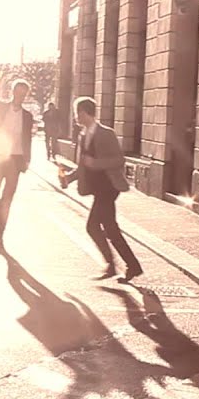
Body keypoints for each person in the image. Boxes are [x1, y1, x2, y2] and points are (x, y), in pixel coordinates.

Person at [59, 97, 143, 282]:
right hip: (98, 188)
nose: (75, 117)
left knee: (93, 226)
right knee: (110, 228)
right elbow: (83, 165)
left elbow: (119, 160)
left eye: (76, 113)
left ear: (84, 112)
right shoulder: (83, 135)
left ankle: (113, 266)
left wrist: (96, 163)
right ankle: (132, 266)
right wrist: (69, 178)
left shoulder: (106, 133)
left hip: (109, 186)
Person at [0, 79, 35, 247]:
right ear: (12, 92)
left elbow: (28, 139)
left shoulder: (27, 116)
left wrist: (27, 160)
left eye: (23, 93)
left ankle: (0, 235)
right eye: (17, 92)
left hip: (15, 159)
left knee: (7, 198)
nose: (20, 96)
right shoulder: (1, 107)